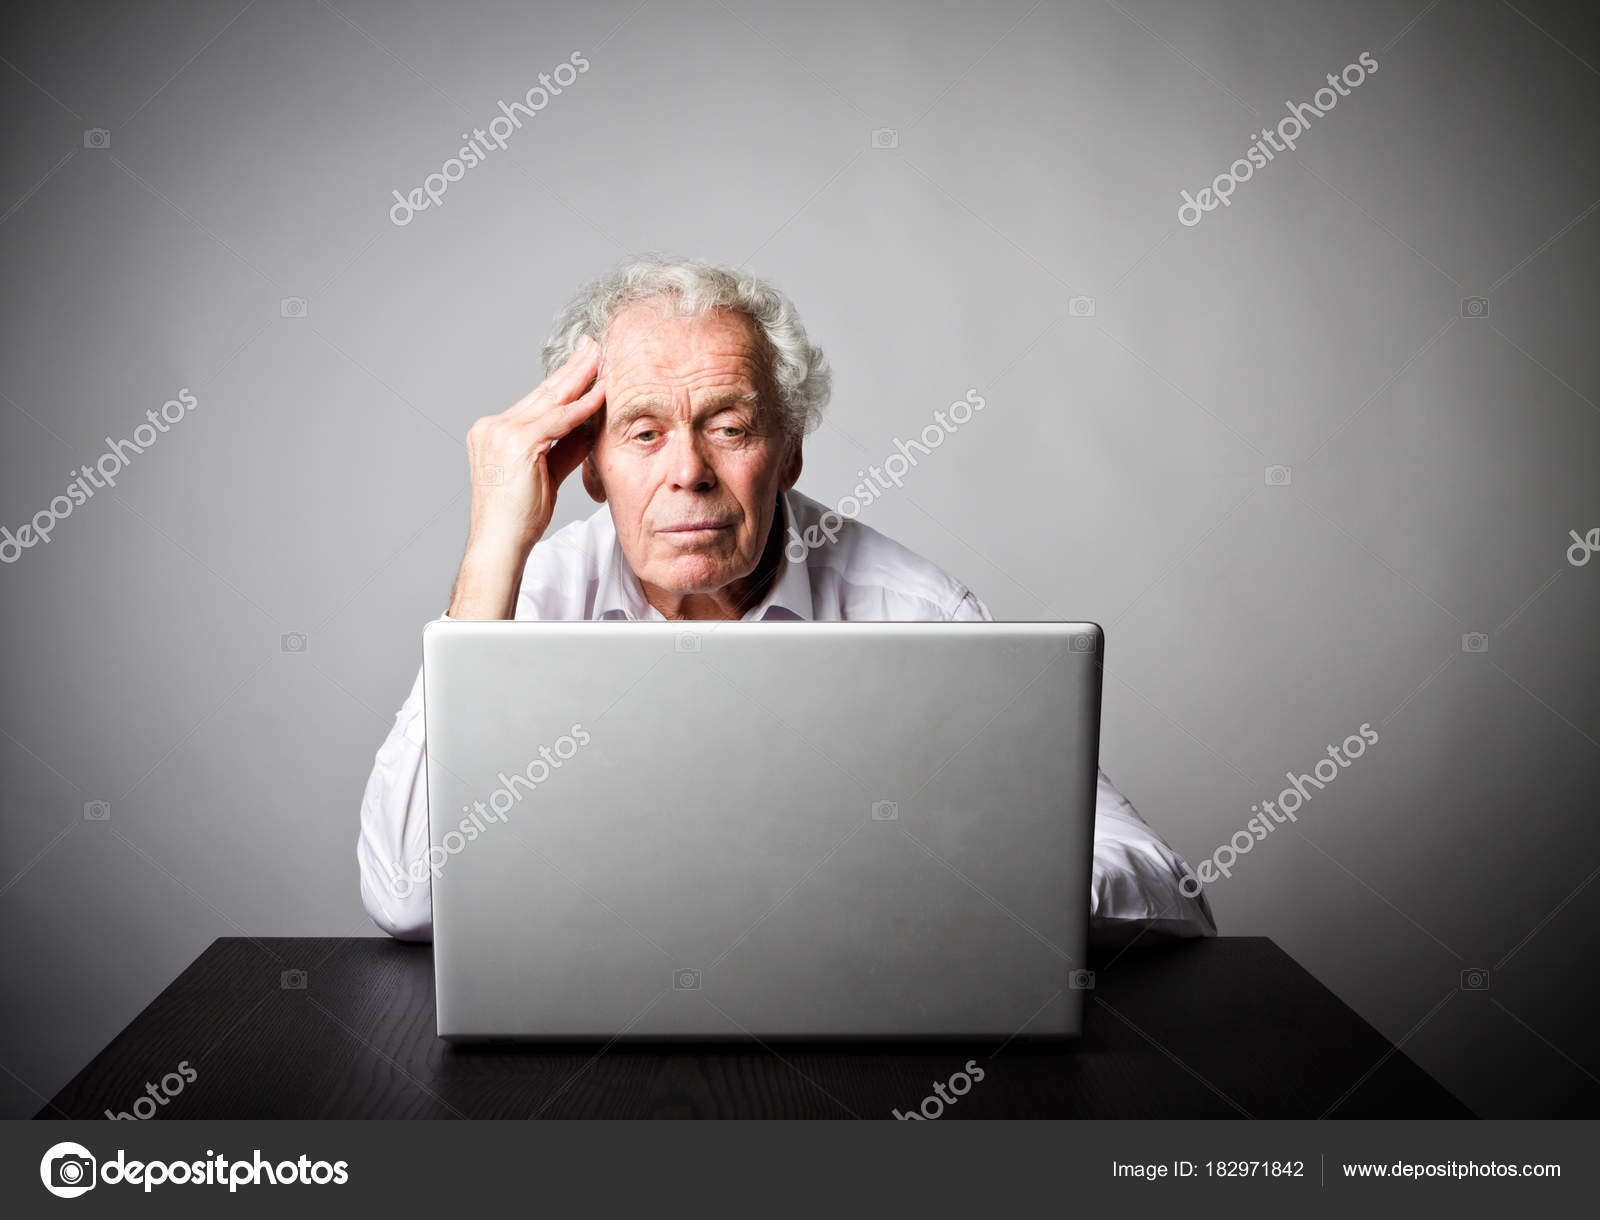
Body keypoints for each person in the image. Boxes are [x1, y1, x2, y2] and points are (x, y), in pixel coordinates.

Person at [357, 255, 1216, 945]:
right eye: (643, 432)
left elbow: (1165, 886)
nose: (688, 471)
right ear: (587, 463)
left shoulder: (917, 612)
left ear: (789, 451)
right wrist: (494, 545)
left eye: (728, 427)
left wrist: (990, 880)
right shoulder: (521, 600)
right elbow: (405, 894)